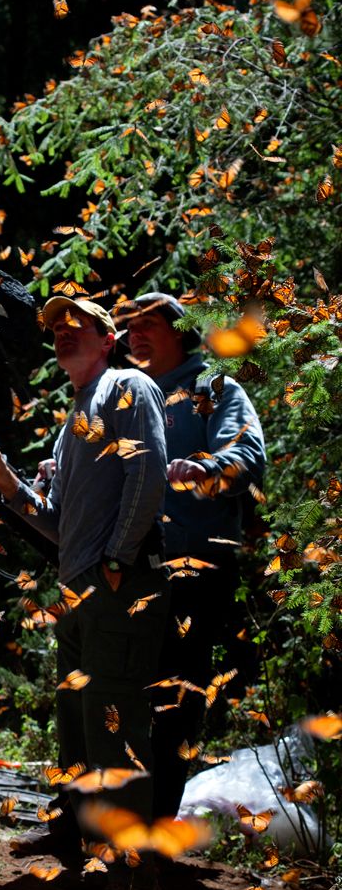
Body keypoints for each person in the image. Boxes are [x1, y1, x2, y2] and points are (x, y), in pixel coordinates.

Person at [0, 295, 169, 889]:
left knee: (115, 728)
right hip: (79, 591)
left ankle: (132, 878)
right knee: (78, 727)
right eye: (54, 326)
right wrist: (4, 479)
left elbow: (149, 470)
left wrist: (116, 557)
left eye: (75, 323)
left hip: (118, 586)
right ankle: (88, 856)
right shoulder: (74, 418)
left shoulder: (127, 387)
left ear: (108, 339)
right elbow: (55, 522)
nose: (61, 331)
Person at [115, 293, 266, 817]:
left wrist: (207, 469)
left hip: (194, 572)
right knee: (118, 696)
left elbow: (246, 452)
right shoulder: (129, 396)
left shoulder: (213, 388)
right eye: (128, 327)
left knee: (174, 703)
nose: (134, 334)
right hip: (131, 571)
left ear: (180, 332)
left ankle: (153, 830)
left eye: (148, 324)